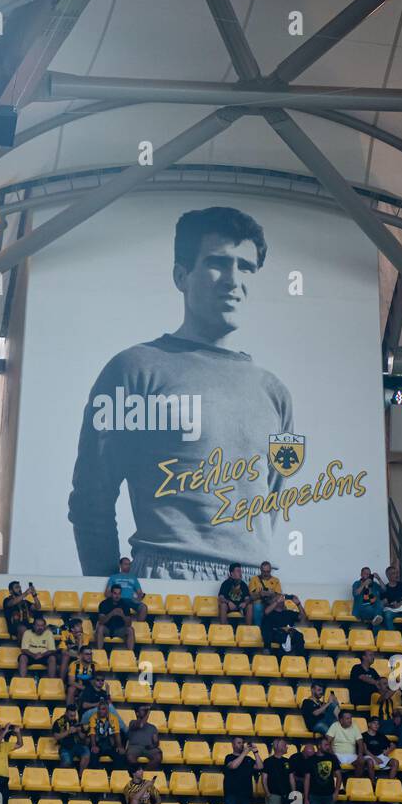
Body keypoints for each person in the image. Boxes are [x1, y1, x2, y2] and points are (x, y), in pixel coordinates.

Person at [69, 206, 293, 580]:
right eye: (218, 263)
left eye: (246, 267)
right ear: (181, 275)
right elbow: (91, 495)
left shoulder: (276, 393)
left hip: (256, 581)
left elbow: (269, 502)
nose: (232, 280)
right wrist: (109, 592)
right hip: (166, 574)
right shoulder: (133, 370)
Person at [221, 736, 262, 804]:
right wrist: (245, 752)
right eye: (239, 743)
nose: (241, 745)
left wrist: (255, 751)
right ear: (233, 745)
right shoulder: (229, 757)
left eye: (242, 743)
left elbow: (260, 766)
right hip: (232, 795)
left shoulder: (248, 759)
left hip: (246, 795)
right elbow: (233, 766)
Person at [303, 736, 341, 804]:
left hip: (329, 795)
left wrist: (336, 792)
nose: (328, 747)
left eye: (328, 745)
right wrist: (306, 797)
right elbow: (307, 779)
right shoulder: (311, 760)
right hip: (314, 796)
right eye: (326, 745)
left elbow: (339, 776)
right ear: (319, 746)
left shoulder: (332, 758)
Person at [260, 737, 296, 804]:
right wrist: (267, 793)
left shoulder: (287, 761)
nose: (287, 747)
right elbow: (264, 778)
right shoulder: (268, 761)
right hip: (273, 795)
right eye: (285, 745)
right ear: (278, 747)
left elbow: (291, 778)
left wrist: (293, 793)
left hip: (287, 795)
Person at [105, 557, 149, 625]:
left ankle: (139, 629)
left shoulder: (133, 578)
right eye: (125, 564)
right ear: (120, 565)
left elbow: (140, 593)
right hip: (118, 601)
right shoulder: (113, 577)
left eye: (129, 564)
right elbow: (107, 593)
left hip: (130, 600)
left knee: (143, 608)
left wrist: (137, 599)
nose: (128, 566)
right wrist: (115, 597)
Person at [94, 584, 138, 652]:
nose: (117, 596)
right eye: (115, 593)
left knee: (130, 630)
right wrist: (112, 613)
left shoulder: (125, 604)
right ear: (111, 593)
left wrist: (122, 615)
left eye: (119, 593)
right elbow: (101, 621)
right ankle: (99, 653)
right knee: (100, 628)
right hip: (107, 628)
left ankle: (130, 655)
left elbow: (129, 624)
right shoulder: (104, 603)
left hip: (120, 629)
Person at [326, 709, 366, 777]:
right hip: (337, 754)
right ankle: (336, 783)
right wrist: (333, 755)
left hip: (351, 755)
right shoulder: (335, 726)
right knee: (331, 761)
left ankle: (354, 782)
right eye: (347, 718)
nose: (350, 720)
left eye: (350, 718)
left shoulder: (354, 726)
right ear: (341, 720)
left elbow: (360, 742)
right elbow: (327, 742)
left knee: (361, 761)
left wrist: (360, 755)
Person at [53, 705, 92, 773]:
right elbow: (56, 737)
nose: (73, 717)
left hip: (76, 745)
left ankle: (81, 777)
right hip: (65, 747)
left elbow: (82, 738)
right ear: (66, 713)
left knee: (86, 752)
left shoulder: (76, 721)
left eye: (74, 715)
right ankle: (58, 774)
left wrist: (80, 731)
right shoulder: (59, 722)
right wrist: (68, 732)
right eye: (71, 716)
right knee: (67, 762)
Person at [122, 705, 163, 769]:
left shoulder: (152, 727)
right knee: (130, 757)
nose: (145, 712)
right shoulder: (132, 723)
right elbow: (141, 725)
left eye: (145, 711)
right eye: (142, 710)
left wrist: (153, 746)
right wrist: (148, 712)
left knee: (158, 756)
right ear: (137, 713)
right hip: (134, 747)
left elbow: (156, 741)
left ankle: (145, 771)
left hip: (148, 748)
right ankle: (137, 770)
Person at [379, 565, 402, 634]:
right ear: (388, 576)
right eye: (393, 573)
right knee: (387, 615)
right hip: (392, 610)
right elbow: (385, 604)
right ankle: (393, 637)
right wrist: (392, 605)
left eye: (397, 573)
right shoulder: (385, 589)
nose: (396, 575)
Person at [87, 700, 125, 768]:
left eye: (103, 709)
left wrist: (119, 746)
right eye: (99, 709)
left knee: (120, 756)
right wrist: (93, 746)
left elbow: (117, 733)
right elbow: (92, 733)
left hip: (110, 744)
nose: (100, 711)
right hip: (99, 743)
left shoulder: (113, 718)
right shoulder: (93, 717)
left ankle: (115, 775)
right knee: (93, 755)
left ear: (107, 710)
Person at [360, 716, 399, 780]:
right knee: (370, 762)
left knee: (395, 762)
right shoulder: (363, 735)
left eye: (378, 724)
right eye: (374, 723)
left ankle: (390, 782)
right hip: (368, 756)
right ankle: (373, 783)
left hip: (380, 756)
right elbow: (365, 750)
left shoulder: (381, 735)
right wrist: (375, 758)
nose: (376, 725)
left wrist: (388, 751)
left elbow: (393, 745)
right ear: (369, 724)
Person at [247, 561, 282, 626]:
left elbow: (279, 596)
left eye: (268, 572)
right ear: (260, 570)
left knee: (277, 608)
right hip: (258, 603)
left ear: (270, 570)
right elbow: (251, 597)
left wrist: (272, 594)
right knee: (258, 607)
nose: (266, 574)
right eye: (264, 571)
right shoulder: (254, 579)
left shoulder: (276, 580)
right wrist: (260, 594)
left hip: (271, 603)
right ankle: (259, 629)